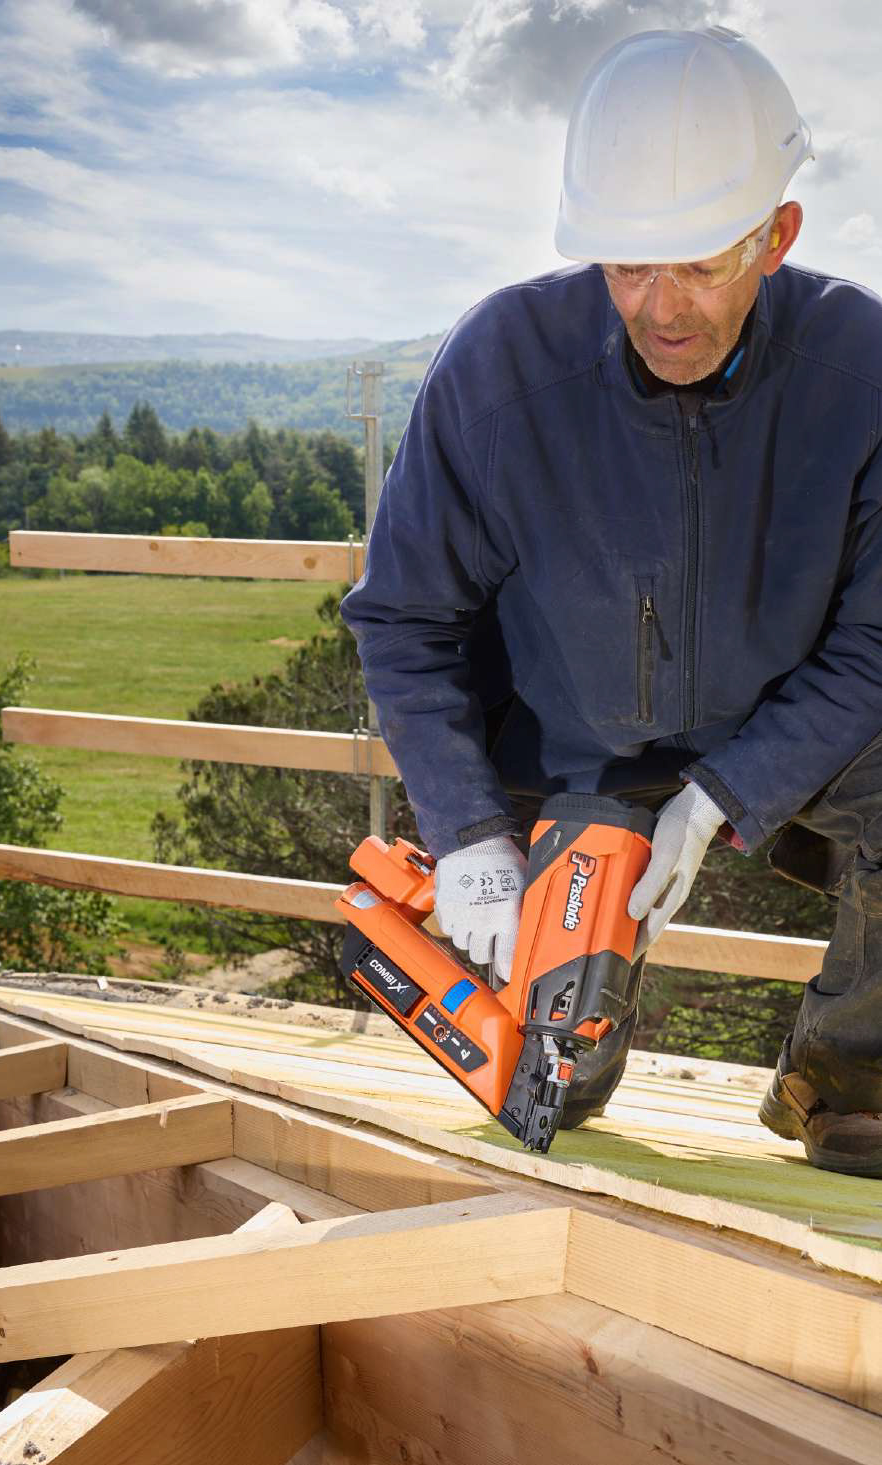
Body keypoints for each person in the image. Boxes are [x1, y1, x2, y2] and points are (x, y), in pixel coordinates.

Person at [340, 25, 882, 1176]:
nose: (661, 305)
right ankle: (564, 1023)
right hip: (564, 753)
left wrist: (725, 795)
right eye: (630, 266)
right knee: (555, 1087)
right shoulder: (498, 368)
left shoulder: (864, 375)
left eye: (700, 264)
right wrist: (472, 838)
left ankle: (847, 1087)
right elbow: (404, 621)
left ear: (777, 236)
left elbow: (881, 641)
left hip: (783, 735)